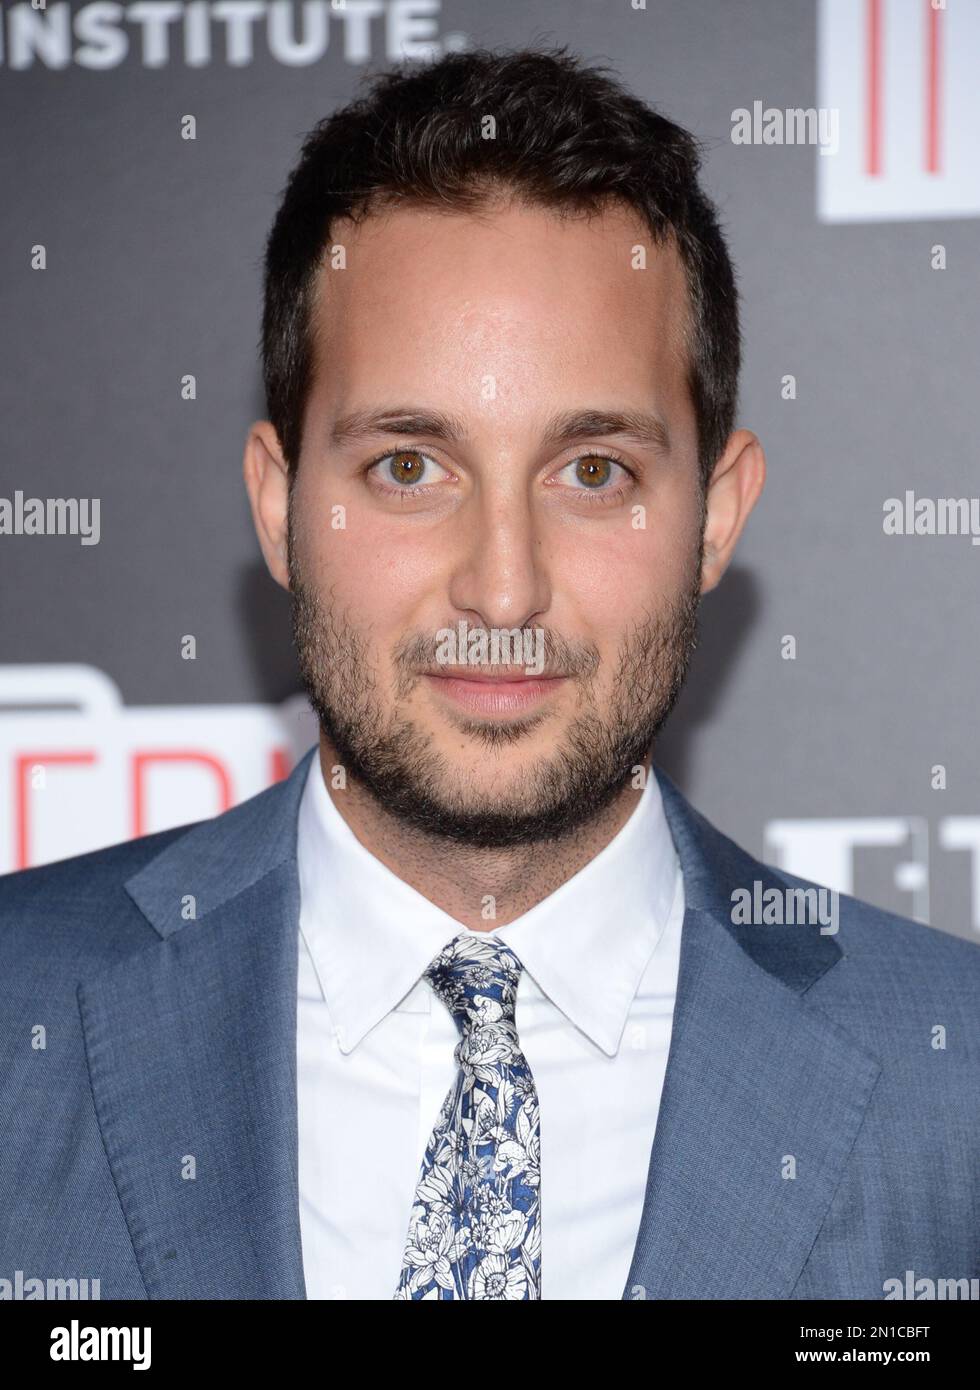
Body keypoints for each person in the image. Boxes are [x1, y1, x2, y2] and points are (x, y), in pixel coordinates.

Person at [1, 46, 977, 1303]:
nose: (501, 589)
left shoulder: (948, 1081)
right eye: (410, 467)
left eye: (592, 471)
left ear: (717, 517)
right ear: (278, 505)